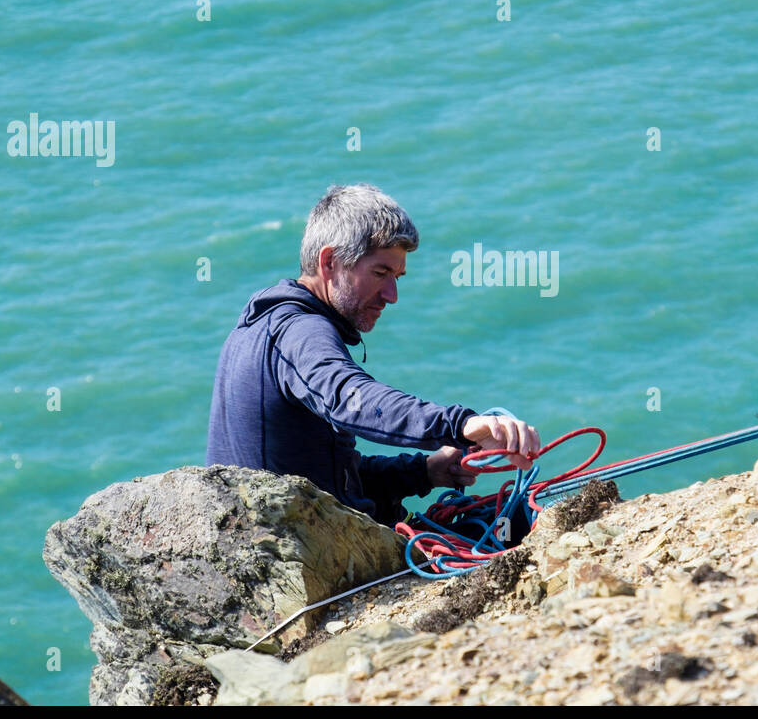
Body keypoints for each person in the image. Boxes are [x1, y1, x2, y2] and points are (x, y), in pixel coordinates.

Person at [204, 183, 540, 527]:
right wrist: (461, 425)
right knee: (520, 522)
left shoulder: (261, 327)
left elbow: (326, 473)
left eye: (397, 276)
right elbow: (351, 399)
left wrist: (424, 472)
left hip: (291, 530)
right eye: (380, 273)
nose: (391, 295)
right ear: (330, 261)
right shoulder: (299, 333)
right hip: (296, 554)